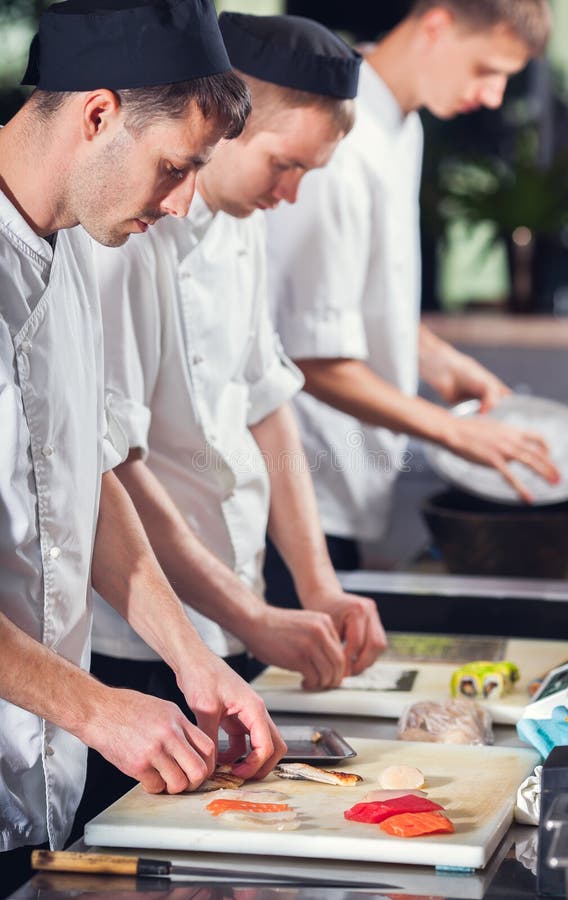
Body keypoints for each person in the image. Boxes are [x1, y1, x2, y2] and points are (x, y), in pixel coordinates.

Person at [75, 11, 387, 835]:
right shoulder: (119, 232)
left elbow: (267, 402)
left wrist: (312, 586)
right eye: (285, 166)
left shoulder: (241, 227)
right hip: (133, 637)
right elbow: (116, 465)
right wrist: (246, 617)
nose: (289, 196)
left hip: (229, 618)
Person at [0, 1, 285, 892]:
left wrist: (191, 661)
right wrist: (96, 709)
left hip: (40, 782)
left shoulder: (77, 243)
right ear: (97, 114)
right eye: (174, 168)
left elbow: (87, 475)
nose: (181, 200)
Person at [264, 0, 560, 590]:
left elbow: (356, 297)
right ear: (437, 25)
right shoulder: (337, 137)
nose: (494, 95)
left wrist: (438, 359)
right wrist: (456, 431)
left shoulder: (405, 125)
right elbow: (309, 352)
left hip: (351, 478)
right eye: (486, 69)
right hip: (299, 486)